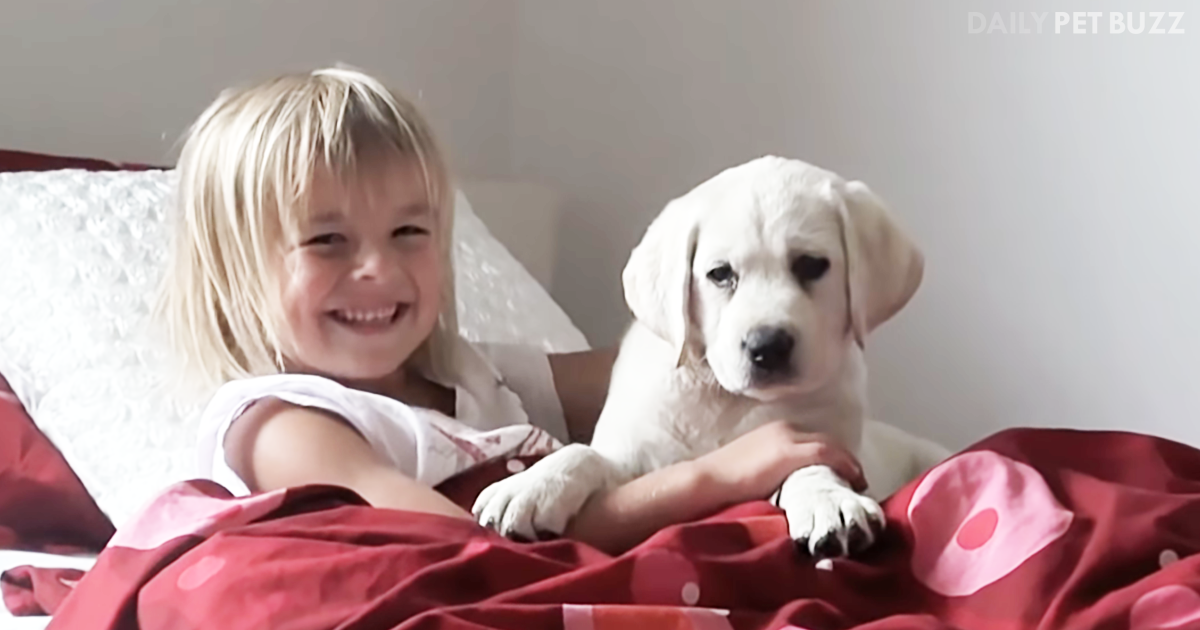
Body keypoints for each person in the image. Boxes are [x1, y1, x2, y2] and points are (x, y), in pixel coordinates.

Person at [156, 65, 865, 554]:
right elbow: (475, 547)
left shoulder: (475, 377)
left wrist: (763, 328)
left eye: (410, 232)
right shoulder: (283, 422)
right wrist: (717, 476)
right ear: (231, 270)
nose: (379, 267)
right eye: (327, 241)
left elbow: (654, 372)